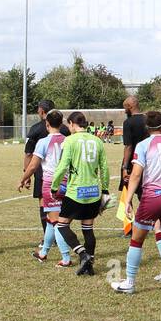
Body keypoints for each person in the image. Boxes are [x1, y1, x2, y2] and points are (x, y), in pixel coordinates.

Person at [110, 111, 161, 299]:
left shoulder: (144, 145)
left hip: (153, 196)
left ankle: (129, 282)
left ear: (147, 127)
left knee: (136, 240)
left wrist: (128, 199)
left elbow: (136, 174)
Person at [49, 111, 110, 276]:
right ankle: (89, 266)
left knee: (62, 225)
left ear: (71, 123)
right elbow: (104, 168)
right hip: (93, 191)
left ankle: (83, 255)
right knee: (88, 229)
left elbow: (62, 167)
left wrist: (54, 187)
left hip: (76, 191)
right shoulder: (97, 140)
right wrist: (104, 189)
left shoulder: (69, 140)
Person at [18, 109, 69, 264]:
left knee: (56, 222)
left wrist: (23, 179)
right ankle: (43, 252)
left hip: (50, 185)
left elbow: (33, 166)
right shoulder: (68, 140)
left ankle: (66, 257)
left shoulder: (43, 142)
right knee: (50, 219)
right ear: (61, 124)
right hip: (66, 184)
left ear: (47, 124)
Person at [119, 96, 149, 195]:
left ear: (130, 106)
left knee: (127, 192)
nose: (124, 111)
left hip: (133, 161)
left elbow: (128, 146)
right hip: (148, 160)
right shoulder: (148, 119)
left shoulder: (128, 122)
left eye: (125, 108)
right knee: (144, 192)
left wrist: (125, 167)